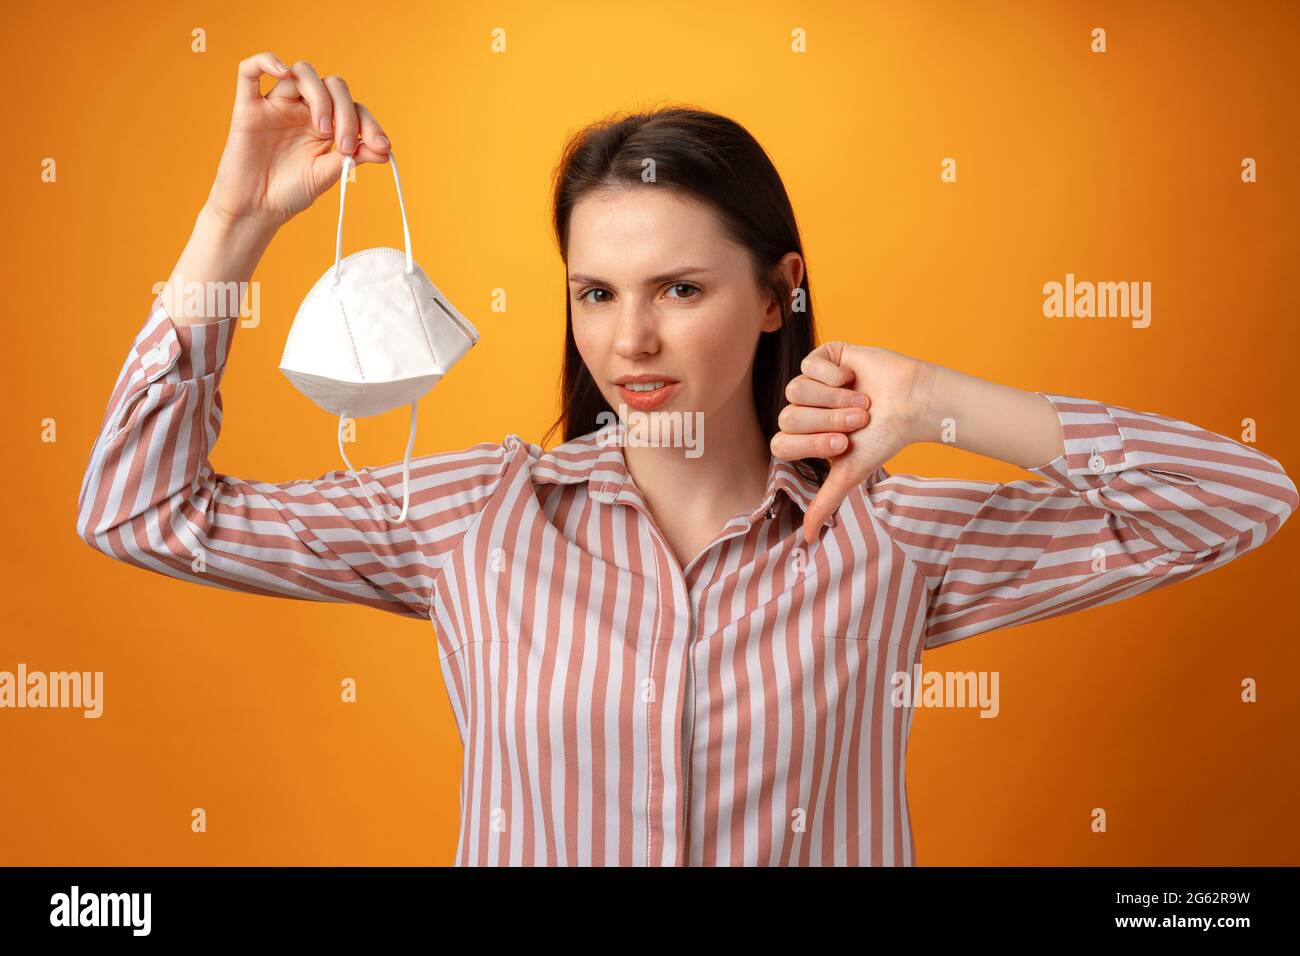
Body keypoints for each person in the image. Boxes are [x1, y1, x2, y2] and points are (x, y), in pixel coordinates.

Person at [76, 52, 1297, 866]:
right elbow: (140, 510)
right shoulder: (472, 517)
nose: (631, 337)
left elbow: (1240, 498)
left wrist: (937, 400)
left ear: (778, 295)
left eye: (680, 287)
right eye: (595, 293)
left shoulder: (885, 534)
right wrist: (236, 220)